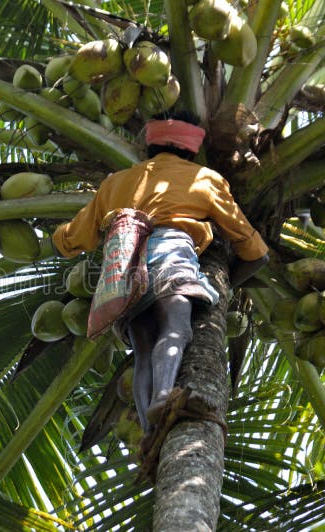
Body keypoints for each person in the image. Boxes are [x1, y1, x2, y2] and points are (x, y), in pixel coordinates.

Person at [51, 111, 269, 433]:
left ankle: (149, 430)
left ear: (150, 149)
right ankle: (163, 397)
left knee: (142, 348)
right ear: (191, 151)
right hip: (170, 253)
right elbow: (255, 251)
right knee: (176, 329)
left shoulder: (115, 182)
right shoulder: (204, 179)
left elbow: (73, 239)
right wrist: (225, 286)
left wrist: (56, 237)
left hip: (121, 265)